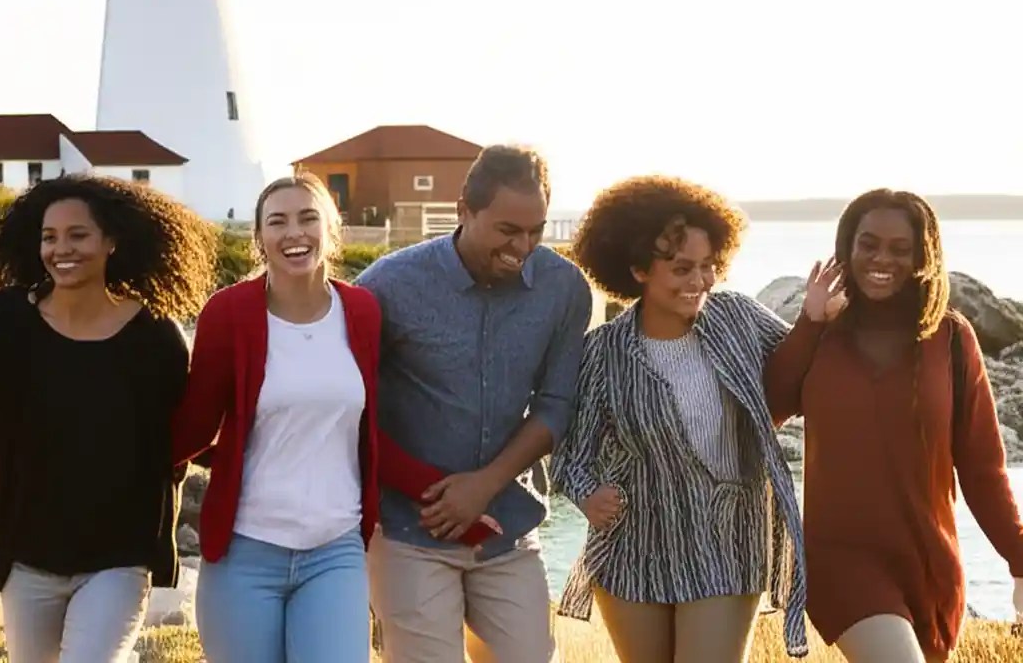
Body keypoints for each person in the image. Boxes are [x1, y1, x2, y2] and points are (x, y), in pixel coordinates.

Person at [172, 173, 500, 663]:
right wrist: (113, 465)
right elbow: (196, 427)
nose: (294, 233)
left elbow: (364, 435)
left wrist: (439, 494)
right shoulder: (229, 312)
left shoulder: (361, 311)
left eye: (308, 218)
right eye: (277, 222)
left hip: (334, 551)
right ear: (259, 237)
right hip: (244, 551)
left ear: (330, 228)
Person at [0, 174, 217, 663]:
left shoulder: (154, 337)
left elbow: (184, 437)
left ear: (112, 241)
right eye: (49, 237)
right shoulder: (1, 322)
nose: (61, 249)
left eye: (78, 235)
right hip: (27, 556)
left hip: (119, 557)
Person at [550, 174, 810, 661]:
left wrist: (816, 318)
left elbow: (805, 370)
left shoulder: (738, 318)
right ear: (638, 270)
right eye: (682, 268)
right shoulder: (603, 353)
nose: (699, 282)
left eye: (709, 266)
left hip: (729, 543)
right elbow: (569, 453)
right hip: (633, 551)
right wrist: (587, 495)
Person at [354, 144, 592, 663]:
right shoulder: (387, 285)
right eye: (508, 230)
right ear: (463, 210)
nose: (522, 247)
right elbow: (350, 404)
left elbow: (555, 405)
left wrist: (484, 484)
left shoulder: (564, 288)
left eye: (535, 231)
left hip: (509, 528)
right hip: (408, 531)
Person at [764, 188, 1023, 662]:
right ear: (848, 247)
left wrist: (1019, 557)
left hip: (930, 566)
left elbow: (982, 468)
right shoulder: (822, 332)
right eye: (868, 244)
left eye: (900, 248)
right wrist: (809, 321)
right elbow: (771, 408)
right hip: (840, 560)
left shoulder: (951, 338)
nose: (882, 258)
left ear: (923, 256)